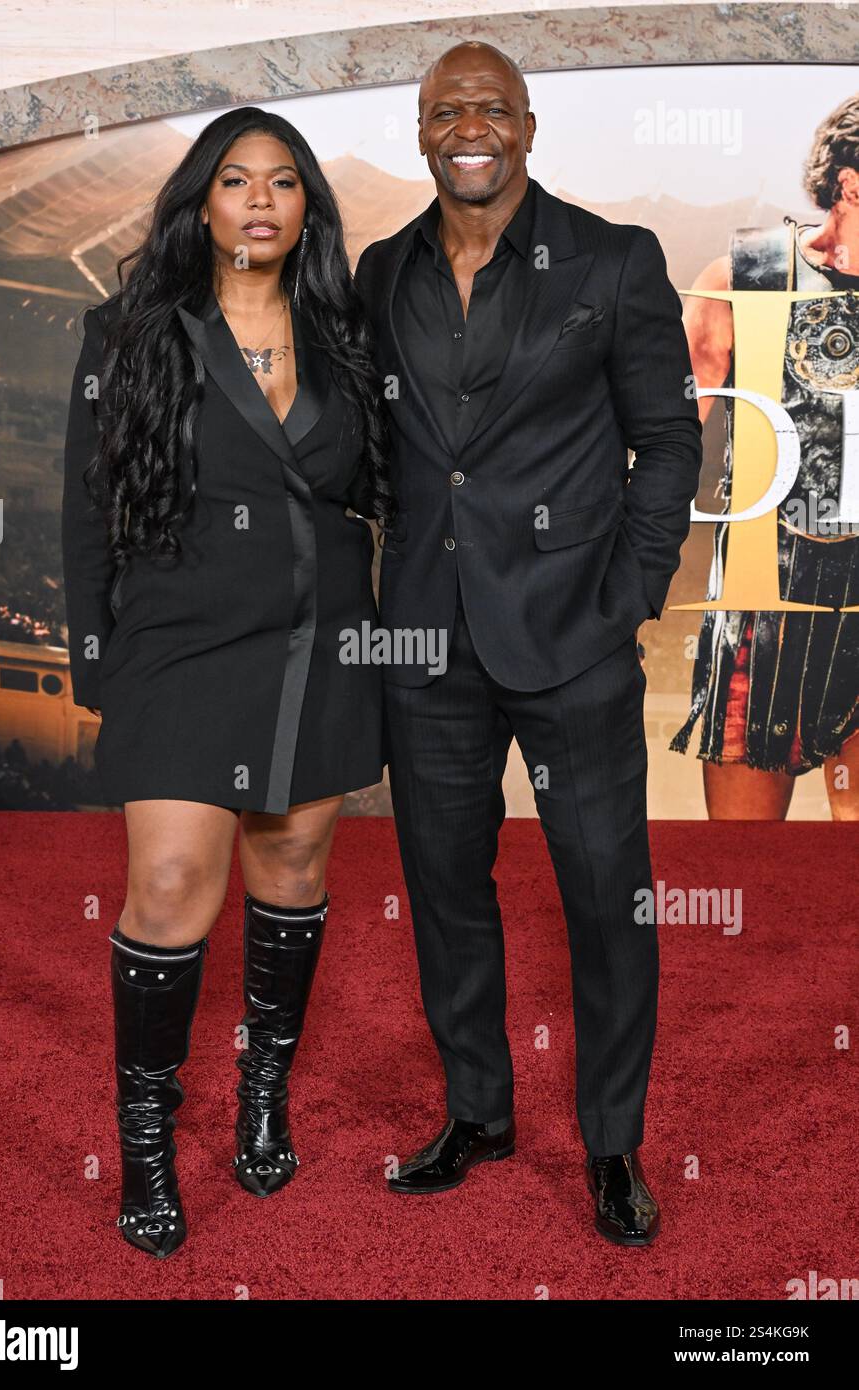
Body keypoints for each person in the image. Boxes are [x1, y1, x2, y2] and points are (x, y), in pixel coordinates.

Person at [354, 41, 702, 1245]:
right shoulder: (379, 270)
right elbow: (379, 457)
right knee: (445, 890)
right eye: (444, 109)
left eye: (488, 108)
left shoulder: (612, 259)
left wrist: (626, 600)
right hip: (423, 646)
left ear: (527, 126)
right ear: (417, 129)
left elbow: (666, 445)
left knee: (606, 898)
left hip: (572, 638)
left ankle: (610, 1143)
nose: (467, 126)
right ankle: (477, 1111)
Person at [62, 106, 393, 1259]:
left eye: (284, 183)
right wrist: (94, 659)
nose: (259, 200)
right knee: (165, 880)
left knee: (292, 864)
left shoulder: (349, 332)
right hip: (178, 642)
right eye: (236, 180)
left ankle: (263, 1093)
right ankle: (146, 1143)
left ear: (308, 209)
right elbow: (83, 509)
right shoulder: (129, 331)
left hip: (317, 638)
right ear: (200, 201)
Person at [670, 94, 859, 819]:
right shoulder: (748, 275)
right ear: (850, 182)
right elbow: (666, 435)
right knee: (746, 864)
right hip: (764, 609)